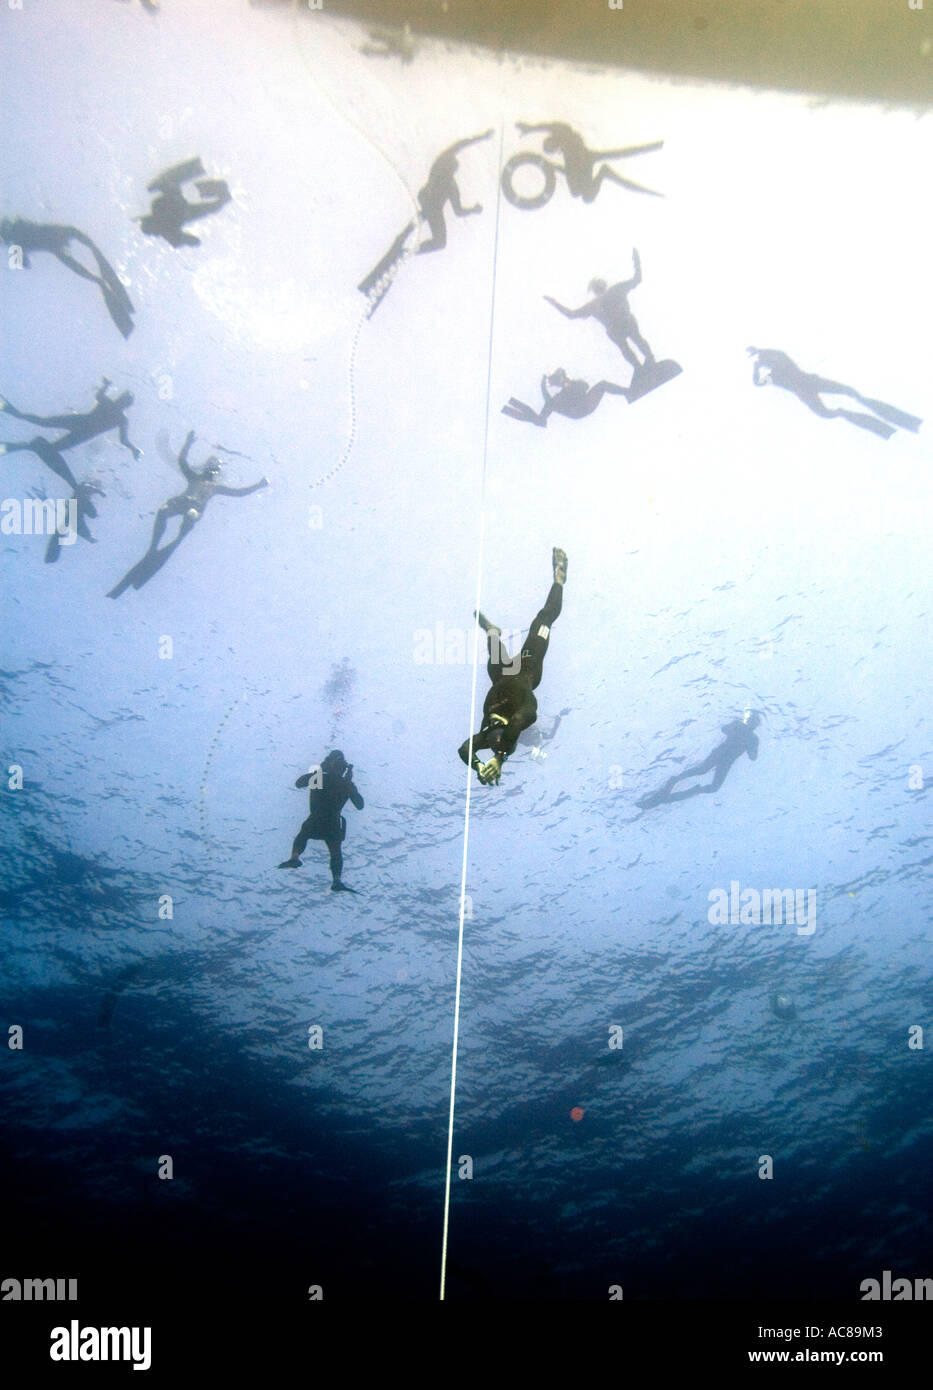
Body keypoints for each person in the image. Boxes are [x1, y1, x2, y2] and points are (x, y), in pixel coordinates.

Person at [107, 430, 267, 597]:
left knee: (189, 515)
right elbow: (182, 461)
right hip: (183, 502)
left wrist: (258, 485)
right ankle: (155, 546)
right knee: (164, 511)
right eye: (210, 465)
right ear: (206, 467)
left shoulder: (214, 486)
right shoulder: (195, 477)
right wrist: (188, 442)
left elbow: (239, 493)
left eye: (215, 467)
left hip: (194, 509)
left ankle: (172, 540)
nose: (212, 469)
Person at [458, 548, 567, 785]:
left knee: (494, 645)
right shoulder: (525, 712)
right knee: (543, 620)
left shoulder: (486, 734)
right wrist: (499, 758)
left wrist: (479, 766)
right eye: (499, 722)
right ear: (509, 727)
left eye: (493, 723)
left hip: (500, 674)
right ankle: (559, 580)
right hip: (529, 666)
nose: (494, 719)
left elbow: (464, 749)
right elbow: (516, 723)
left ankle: (492, 631)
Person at [0, 217, 135, 337]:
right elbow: (22, 258)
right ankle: (123, 307)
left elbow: (22, 264)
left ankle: (124, 319)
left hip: (55, 242)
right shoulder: (16, 233)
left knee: (91, 274)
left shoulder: (14, 243)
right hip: (57, 234)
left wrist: (16, 252)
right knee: (90, 252)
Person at [747, 348, 921, 438]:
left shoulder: (779, 370)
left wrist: (759, 357)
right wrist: (757, 363)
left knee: (845, 395)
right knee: (830, 409)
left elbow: (776, 359)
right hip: (807, 388)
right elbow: (758, 381)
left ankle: (894, 421)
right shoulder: (775, 375)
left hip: (810, 384)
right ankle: (884, 425)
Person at [545, 250, 654, 371]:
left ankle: (644, 363)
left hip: (622, 325)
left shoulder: (609, 295)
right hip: (619, 327)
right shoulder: (606, 297)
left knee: (630, 343)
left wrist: (555, 303)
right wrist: (637, 262)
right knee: (631, 343)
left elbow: (571, 314)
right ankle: (643, 364)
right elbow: (571, 314)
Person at [278, 750, 364, 892]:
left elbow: (299, 783)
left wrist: (318, 773)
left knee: (304, 834)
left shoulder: (321, 778)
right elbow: (360, 805)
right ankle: (336, 880)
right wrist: (349, 785)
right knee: (336, 851)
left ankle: (295, 857)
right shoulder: (343, 784)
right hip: (333, 823)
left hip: (317, 819)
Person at [637, 711, 762, 808]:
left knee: (708, 779)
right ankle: (679, 783)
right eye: (753, 721)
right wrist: (746, 740)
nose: (752, 724)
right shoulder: (748, 734)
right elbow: (752, 757)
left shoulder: (747, 733)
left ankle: (682, 786)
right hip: (723, 756)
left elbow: (725, 731)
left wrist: (740, 732)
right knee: (704, 774)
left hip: (724, 758)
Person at [514, 121, 664, 201]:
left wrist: (531, 128)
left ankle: (604, 172)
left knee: (582, 194)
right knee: (582, 195)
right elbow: (572, 171)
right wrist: (556, 167)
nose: (556, 150)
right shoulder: (564, 146)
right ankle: (604, 173)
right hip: (579, 163)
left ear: (552, 140)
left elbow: (549, 126)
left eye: (553, 148)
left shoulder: (563, 131)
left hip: (584, 158)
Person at [0, 379, 140, 458]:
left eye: (123, 399)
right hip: (83, 427)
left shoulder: (118, 415)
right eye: (122, 398)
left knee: (51, 445)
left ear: (124, 403)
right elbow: (123, 440)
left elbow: (99, 396)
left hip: (82, 428)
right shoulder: (119, 416)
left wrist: (106, 385)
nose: (121, 400)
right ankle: (15, 415)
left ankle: (23, 443)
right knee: (45, 428)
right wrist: (133, 449)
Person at [416, 130, 493, 253]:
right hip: (428, 201)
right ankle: (413, 248)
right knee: (440, 242)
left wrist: (473, 210)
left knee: (440, 243)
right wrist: (482, 137)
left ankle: (412, 250)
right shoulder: (443, 165)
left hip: (431, 206)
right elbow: (461, 144)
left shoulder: (451, 186)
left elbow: (458, 211)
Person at [137, 158, 231, 248]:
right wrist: (181, 240)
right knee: (213, 207)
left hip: (181, 208)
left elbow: (193, 241)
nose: (155, 234)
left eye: (153, 232)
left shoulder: (165, 226)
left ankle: (221, 196)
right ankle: (221, 196)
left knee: (213, 207)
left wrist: (181, 240)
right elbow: (193, 241)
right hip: (183, 210)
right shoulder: (166, 228)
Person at [502, 368, 627, 426]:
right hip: (578, 410)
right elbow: (548, 404)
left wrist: (567, 381)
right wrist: (543, 387)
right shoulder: (558, 397)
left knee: (603, 384)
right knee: (547, 409)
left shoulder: (571, 386)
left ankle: (627, 392)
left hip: (583, 404)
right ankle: (535, 419)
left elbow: (585, 386)